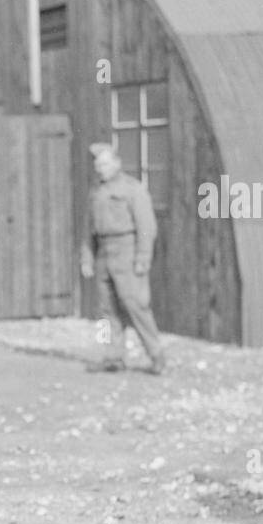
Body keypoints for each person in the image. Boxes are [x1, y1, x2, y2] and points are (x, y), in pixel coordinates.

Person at [80, 143, 166, 375]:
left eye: (105, 164)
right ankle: (111, 356)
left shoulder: (132, 189)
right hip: (103, 254)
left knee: (136, 305)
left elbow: (146, 226)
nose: (100, 169)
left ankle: (156, 355)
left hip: (126, 251)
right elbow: (89, 229)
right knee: (105, 311)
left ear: (117, 163)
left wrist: (143, 257)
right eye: (97, 165)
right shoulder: (96, 191)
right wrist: (87, 258)